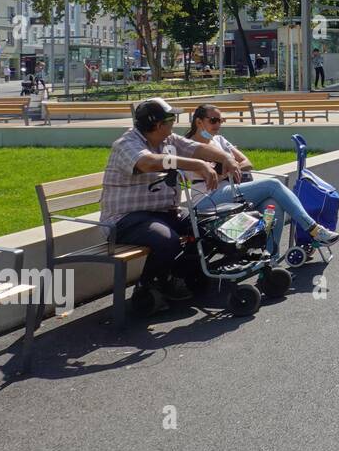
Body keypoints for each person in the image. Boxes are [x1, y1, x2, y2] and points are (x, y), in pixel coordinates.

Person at [100, 98, 244, 310]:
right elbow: (149, 162)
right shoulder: (127, 144)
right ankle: (147, 288)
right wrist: (196, 164)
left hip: (164, 212)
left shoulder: (168, 140)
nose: (174, 123)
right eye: (171, 119)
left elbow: (197, 148)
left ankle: (181, 278)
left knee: (208, 225)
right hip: (125, 219)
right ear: (159, 125)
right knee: (168, 241)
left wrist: (226, 158)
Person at [185, 104, 339, 256]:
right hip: (207, 199)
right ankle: (314, 229)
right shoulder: (188, 147)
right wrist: (229, 170)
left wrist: (228, 169)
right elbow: (210, 177)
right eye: (213, 120)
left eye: (221, 121)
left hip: (230, 191)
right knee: (272, 184)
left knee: (274, 206)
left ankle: (270, 260)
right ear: (199, 122)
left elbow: (247, 163)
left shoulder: (219, 140)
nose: (218, 125)